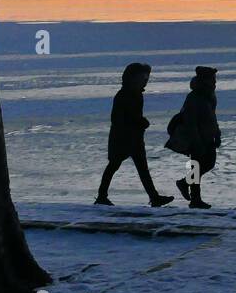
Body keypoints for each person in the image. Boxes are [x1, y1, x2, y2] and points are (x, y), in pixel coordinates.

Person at [95, 63, 175, 207]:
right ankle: (101, 196)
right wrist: (140, 122)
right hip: (122, 138)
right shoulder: (124, 95)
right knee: (114, 165)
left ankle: (154, 197)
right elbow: (118, 118)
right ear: (132, 78)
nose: (145, 80)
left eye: (147, 77)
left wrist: (139, 123)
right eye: (143, 77)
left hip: (135, 138)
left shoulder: (136, 94)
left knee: (142, 168)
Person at [166, 65, 222, 209]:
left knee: (208, 163)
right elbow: (190, 121)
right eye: (212, 79)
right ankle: (195, 199)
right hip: (196, 137)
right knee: (196, 166)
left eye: (214, 79)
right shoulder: (194, 97)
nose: (214, 82)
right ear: (204, 80)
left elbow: (212, 117)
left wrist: (217, 133)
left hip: (208, 136)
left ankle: (185, 183)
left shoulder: (210, 95)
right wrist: (196, 141)